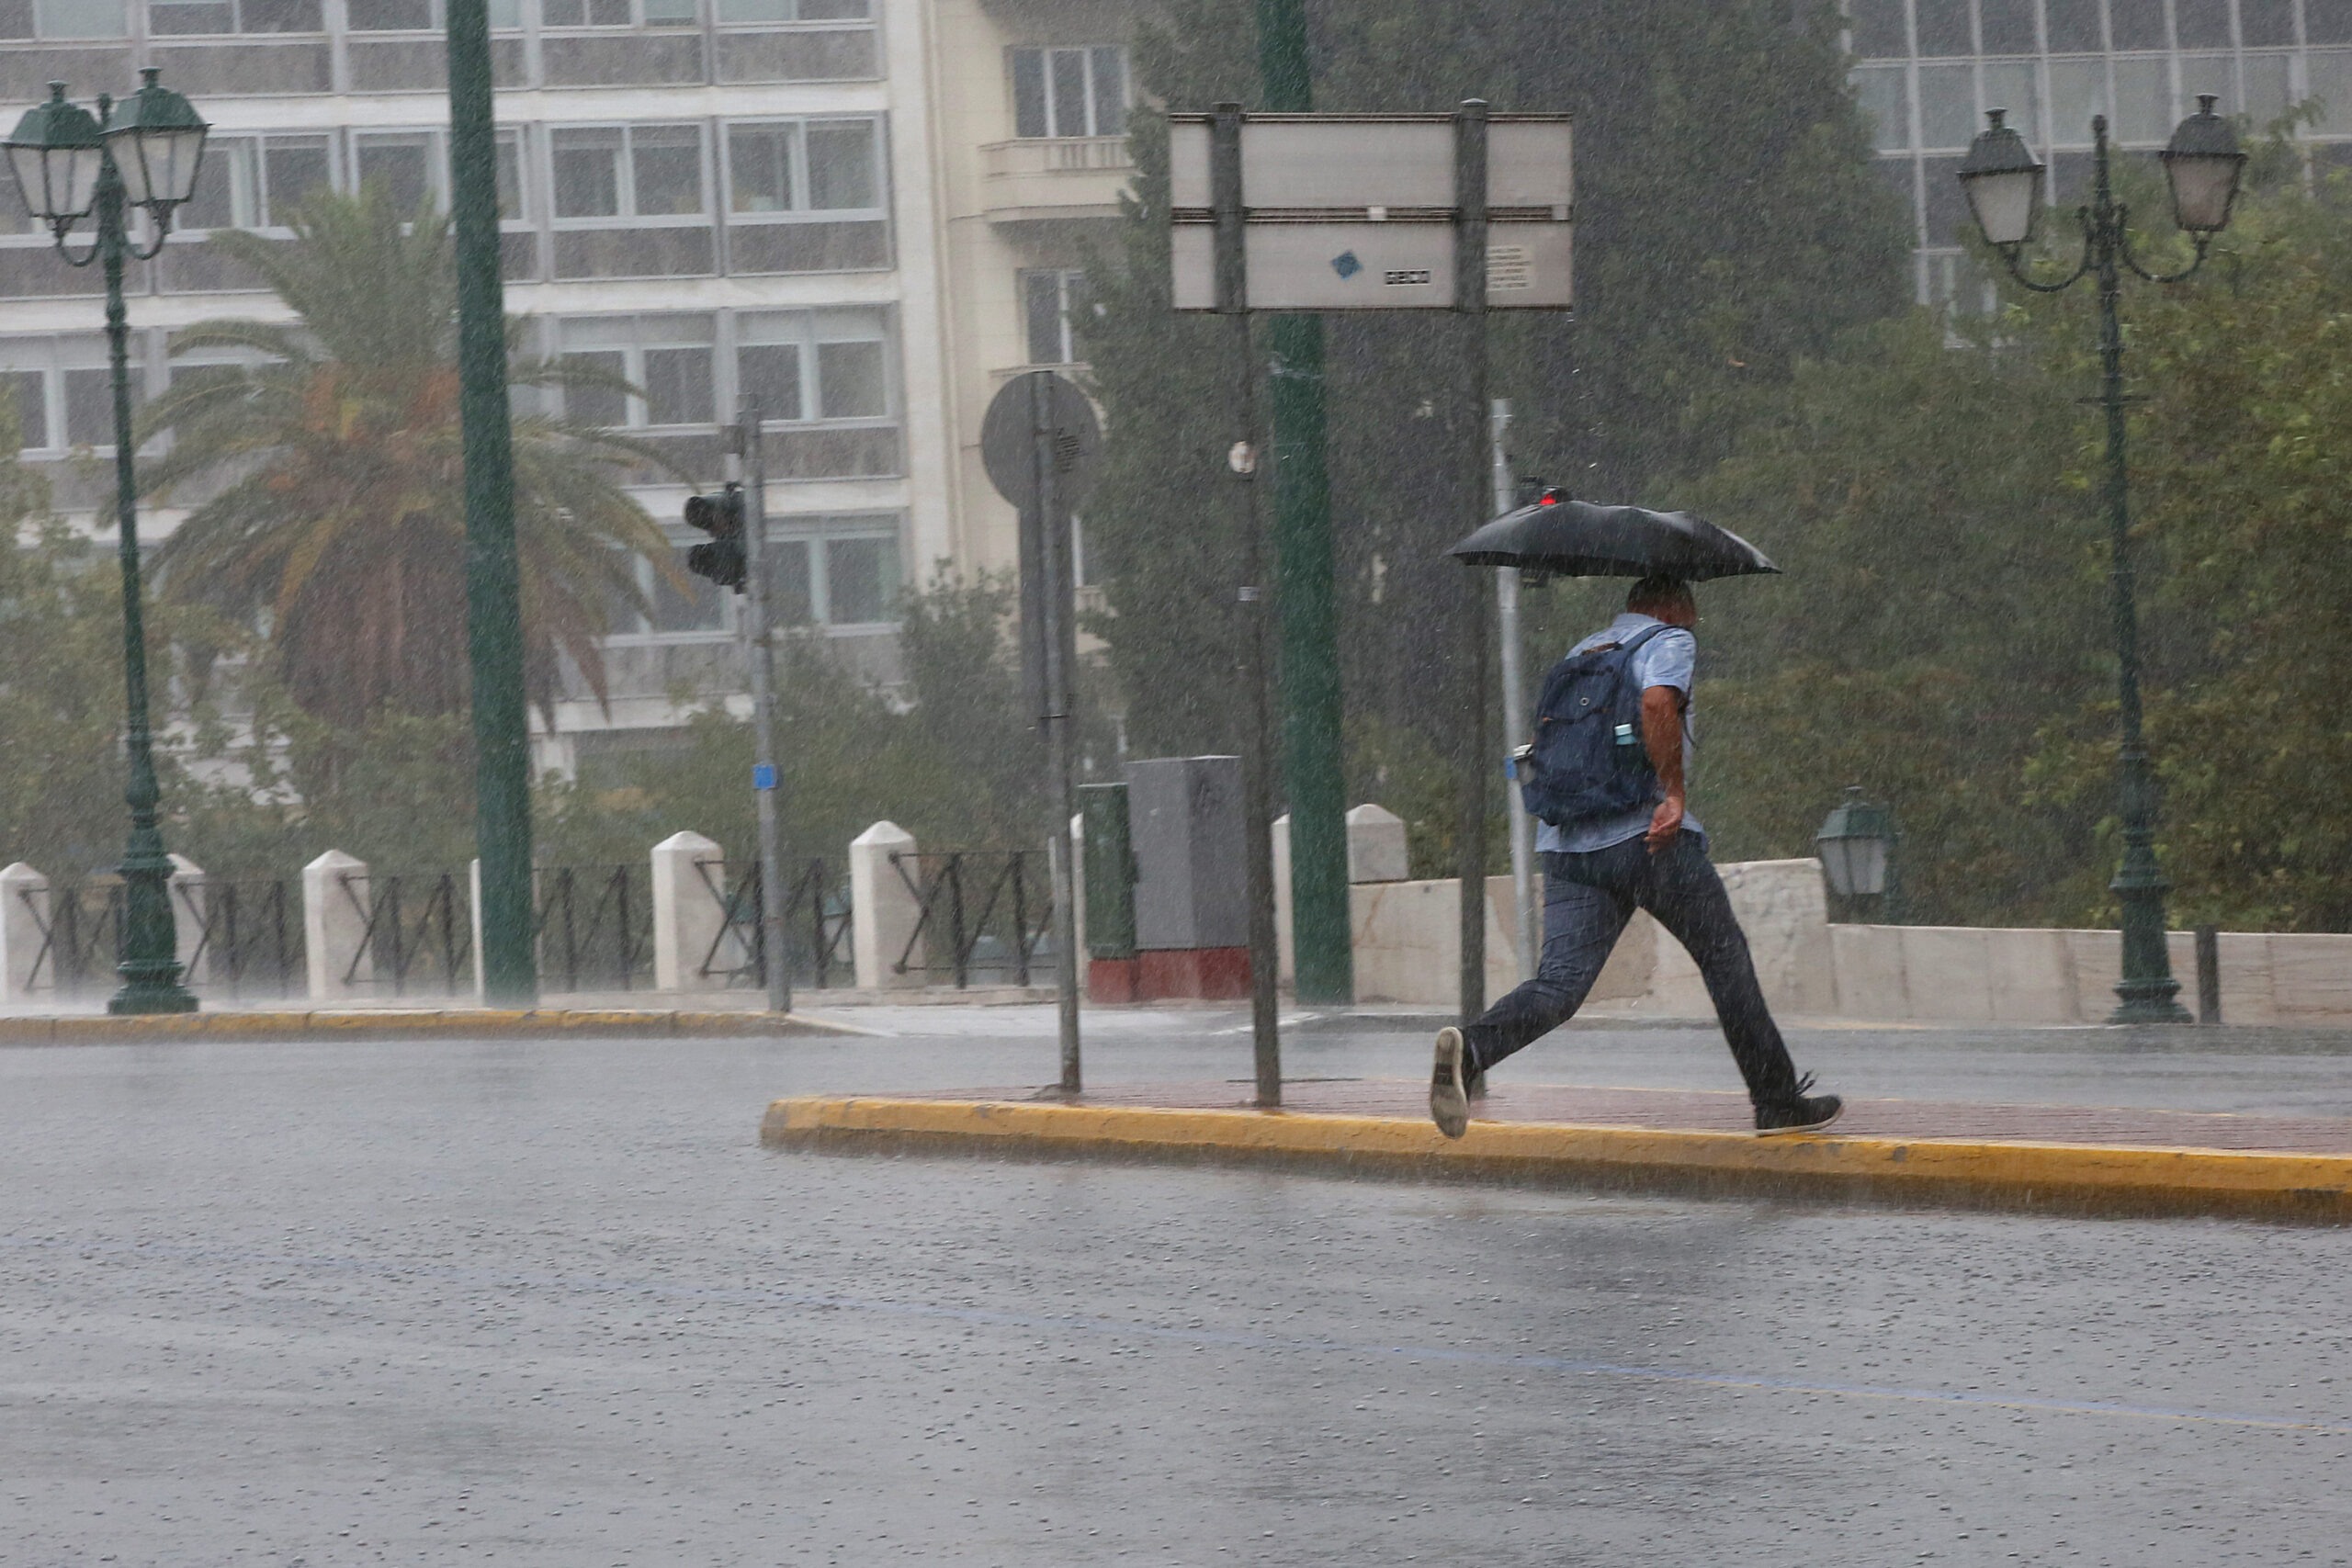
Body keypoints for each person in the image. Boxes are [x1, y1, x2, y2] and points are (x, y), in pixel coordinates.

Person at [1430, 574, 1843, 1138]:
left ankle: (1473, 1049)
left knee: (1559, 985)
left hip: (1569, 845)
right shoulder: (1668, 641)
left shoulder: (1584, 650)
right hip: (1646, 839)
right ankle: (1775, 1101)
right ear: (1674, 606)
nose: (1695, 624)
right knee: (1725, 959)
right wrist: (1673, 793)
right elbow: (1656, 704)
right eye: (1692, 612)